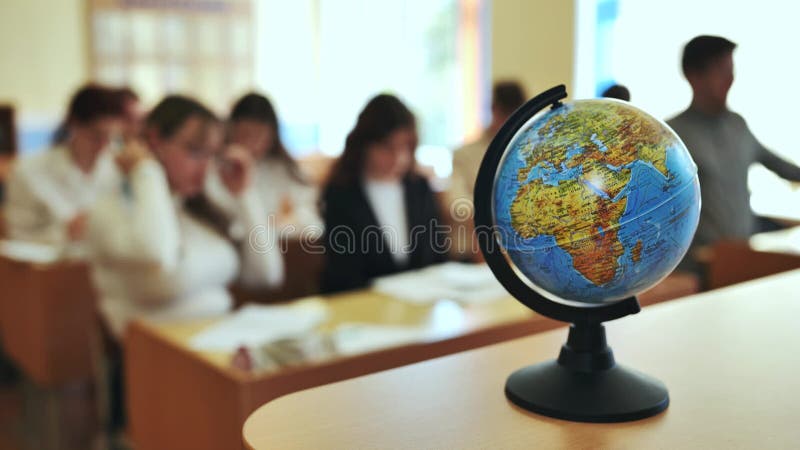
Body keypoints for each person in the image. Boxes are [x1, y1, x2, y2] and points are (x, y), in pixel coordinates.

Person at [87, 95, 284, 338]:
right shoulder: (112, 209)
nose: (205, 168)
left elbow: (268, 276)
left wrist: (245, 195)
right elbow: (157, 252)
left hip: (219, 346)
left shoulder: (196, 209)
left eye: (211, 155)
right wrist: (147, 170)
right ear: (155, 139)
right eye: (194, 152)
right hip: (156, 359)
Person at [667, 36, 800, 257]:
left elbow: (783, 168)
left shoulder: (738, 126)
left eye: (731, 70)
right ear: (694, 76)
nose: (729, 79)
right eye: (720, 71)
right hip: (698, 264)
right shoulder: (673, 137)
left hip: (743, 256)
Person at [319, 94, 447, 293]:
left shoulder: (419, 188)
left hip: (420, 309)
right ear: (365, 145)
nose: (398, 158)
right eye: (388, 147)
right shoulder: (341, 194)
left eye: (404, 147)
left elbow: (437, 256)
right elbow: (343, 272)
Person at [3, 84, 123, 248]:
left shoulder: (116, 170)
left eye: (110, 137)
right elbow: (16, 238)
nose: (103, 146)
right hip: (50, 270)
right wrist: (65, 233)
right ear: (74, 125)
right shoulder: (28, 170)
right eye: (96, 136)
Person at [207, 93, 322, 240]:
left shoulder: (282, 170)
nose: (252, 143)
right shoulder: (214, 170)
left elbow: (310, 221)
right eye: (245, 134)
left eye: (260, 135)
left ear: (272, 136)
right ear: (230, 130)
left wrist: (280, 226)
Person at [448, 80, 526, 258]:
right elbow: (458, 203)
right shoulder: (465, 154)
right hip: (472, 251)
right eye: (506, 114)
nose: (512, 123)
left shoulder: (528, 153)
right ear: (494, 110)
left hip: (519, 252)